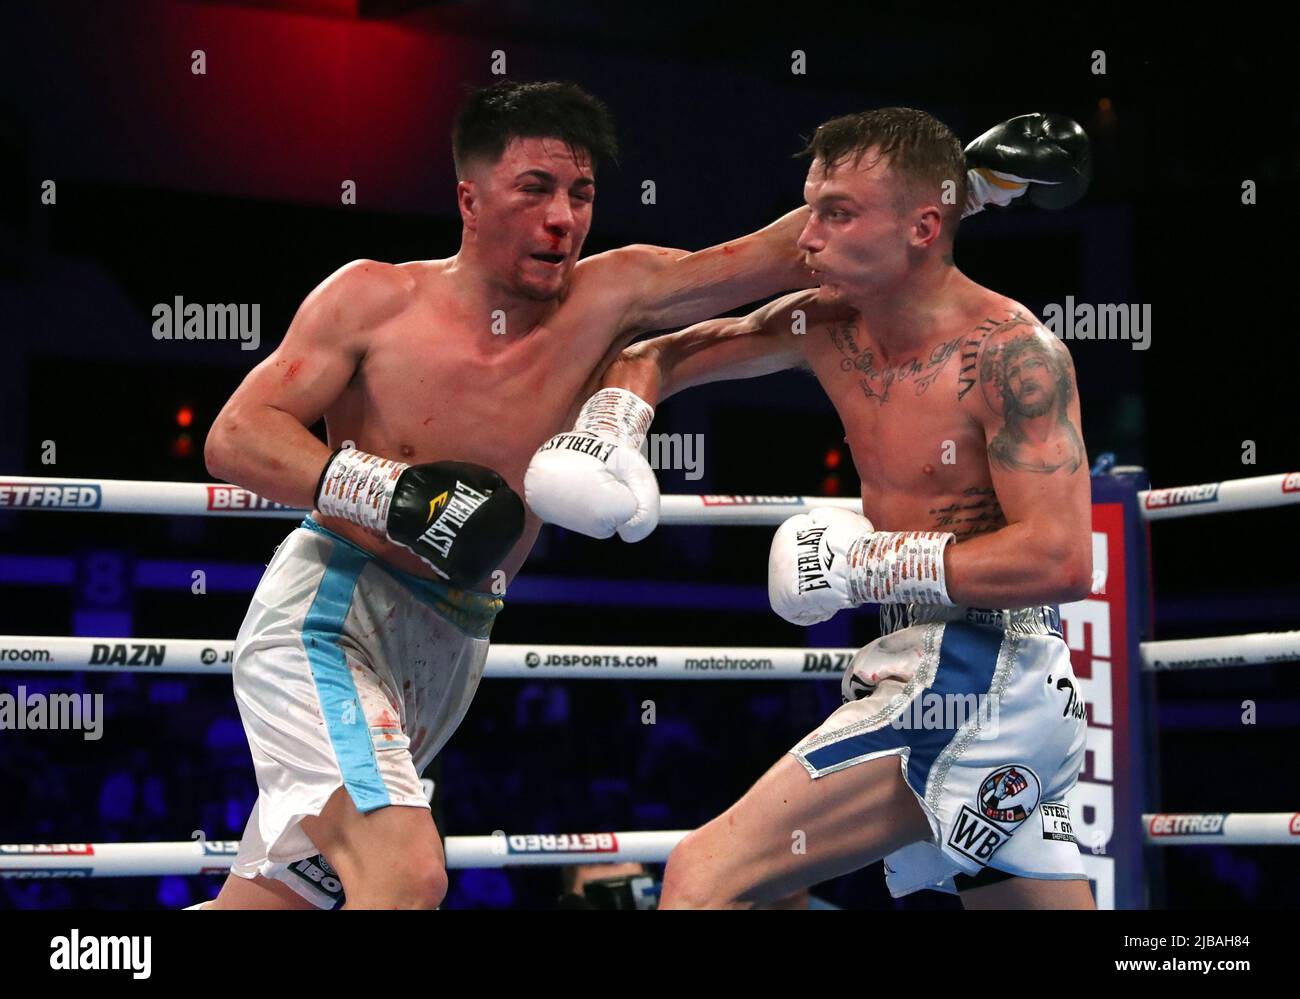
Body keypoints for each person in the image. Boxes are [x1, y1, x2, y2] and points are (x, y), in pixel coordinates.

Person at [200, 80, 817, 909]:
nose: (562, 217)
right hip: (332, 619)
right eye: (534, 189)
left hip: (452, 646)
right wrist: (388, 490)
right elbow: (237, 434)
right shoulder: (376, 300)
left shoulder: (612, 295)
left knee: (280, 902)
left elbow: (776, 255)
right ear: (470, 198)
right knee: (405, 875)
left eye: (581, 193)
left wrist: (965, 181)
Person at [525, 109, 1096, 909]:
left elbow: (1063, 560)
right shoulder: (828, 326)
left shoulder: (1013, 354)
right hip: (940, 668)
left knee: (702, 876)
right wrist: (613, 426)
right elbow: (661, 350)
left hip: (986, 676)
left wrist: (866, 563)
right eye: (811, 207)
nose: (806, 238)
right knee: (773, 888)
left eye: (837, 213)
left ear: (925, 227)